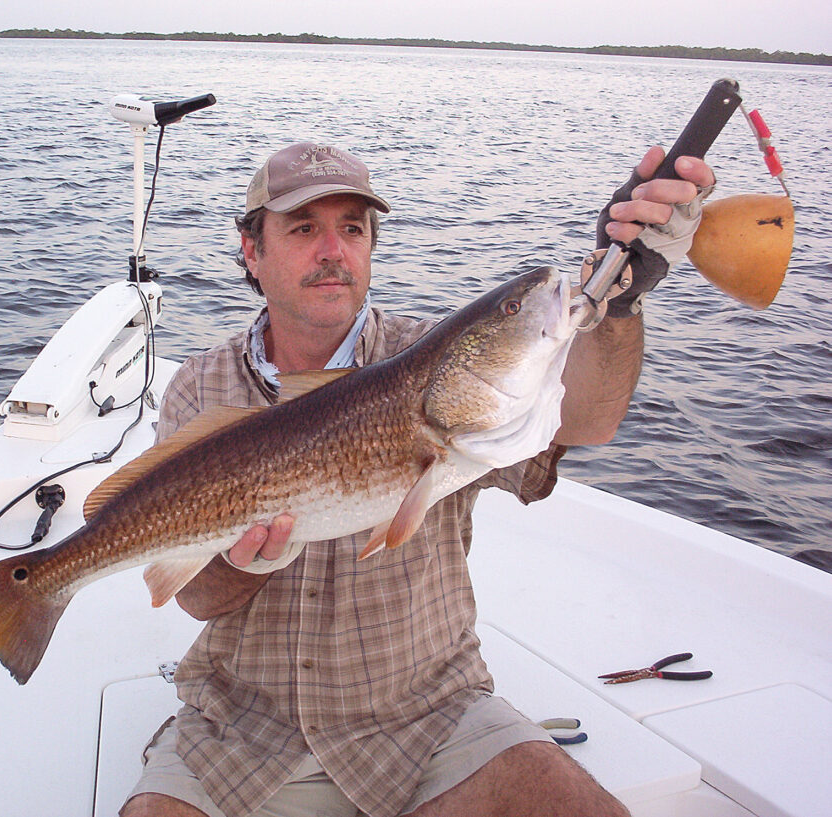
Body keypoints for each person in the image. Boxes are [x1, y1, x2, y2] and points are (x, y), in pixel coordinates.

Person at [122, 141, 715, 817]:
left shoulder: (431, 360)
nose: (333, 250)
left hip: (430, 716)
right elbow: (195, 598)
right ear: (251, 251)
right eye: (303, 228)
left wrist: (619, 307)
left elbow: (585, 420)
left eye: (353, 228)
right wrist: (247, 560)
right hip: (241, 726)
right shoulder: (201, 387)